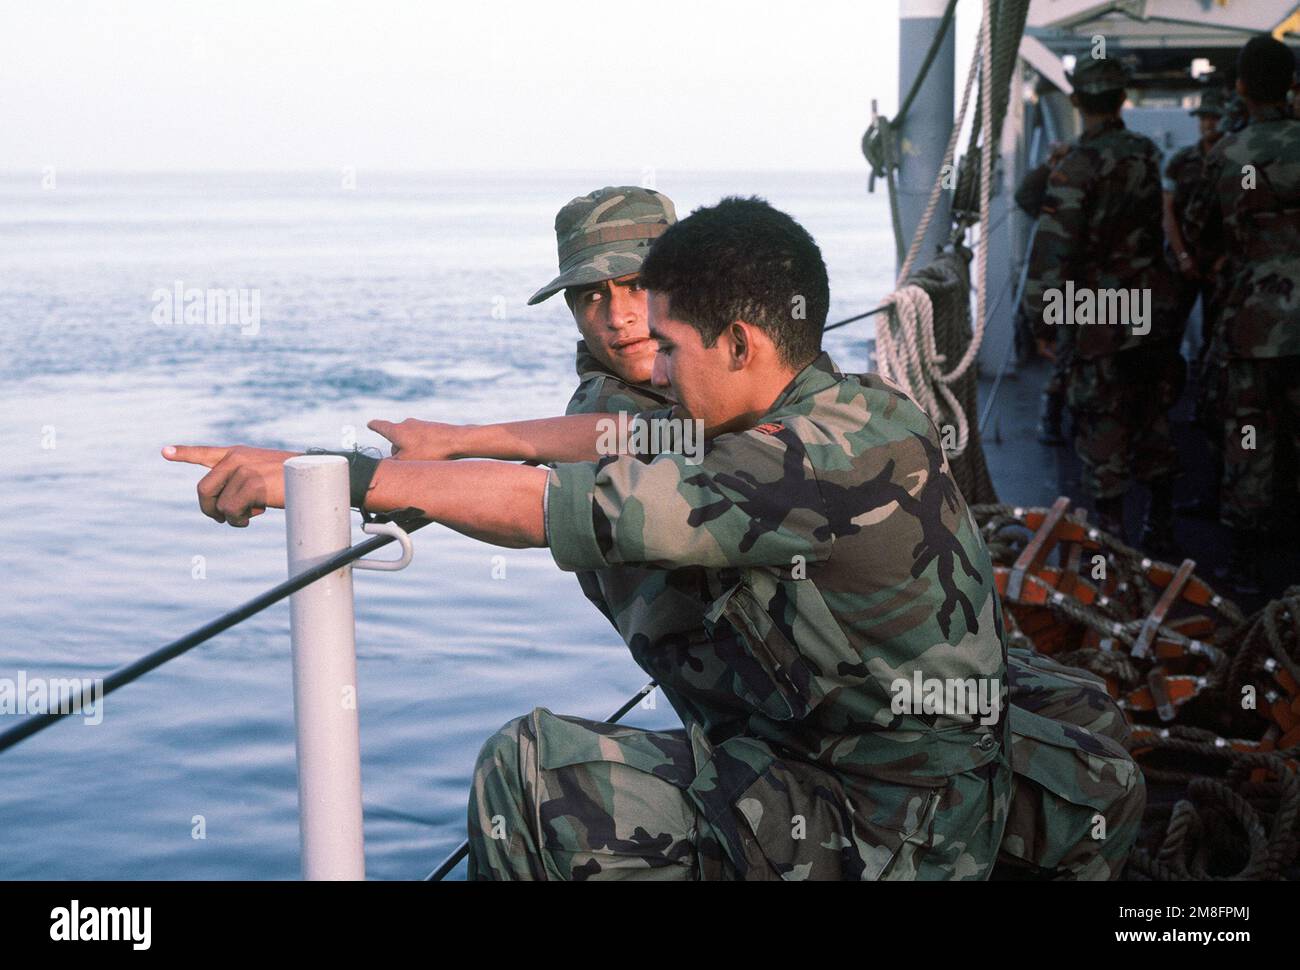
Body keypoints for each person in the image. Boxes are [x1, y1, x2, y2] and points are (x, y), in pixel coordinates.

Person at [165, 196, 1144, 880]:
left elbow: (563, 507)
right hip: (928, 767)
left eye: (669, 344)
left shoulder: (783, 466)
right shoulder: (852, 409)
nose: (650, 360)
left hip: (889, 831)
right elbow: (620, 433)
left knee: (531, 770)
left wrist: (349, 481)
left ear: (737, 346)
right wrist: (466, 439)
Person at [1020, 56, 1184, 557]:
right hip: (1149, 308)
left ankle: (1113, 549)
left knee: (1102, 424)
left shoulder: (1075, 167)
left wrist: (1041, 321)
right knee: (1153, 414)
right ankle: (1160, 526)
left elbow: (1052, 250)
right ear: (1121, 100)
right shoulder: (1145, 153)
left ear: (1076, 101)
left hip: (1097, 314)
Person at [1182, 35, 1300, 596]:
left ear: (1241, 87)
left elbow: (1200, 239)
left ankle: (1247, 564)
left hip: (1254, 323)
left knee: (1250, 435)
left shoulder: (1227, 155)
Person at [1164, 89, 1228, 520]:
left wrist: (1224, 259)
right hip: (1185, 263)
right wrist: (1184, 257)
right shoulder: (1182, 162)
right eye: (1204, 117)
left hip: (1224, 265)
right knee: (1169, 335)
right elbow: (1166, 212)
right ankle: (1171, 405)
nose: (1208, 123)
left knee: (1216, 341)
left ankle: (1209, 405)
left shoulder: (1236, 159)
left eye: (1215, 117)